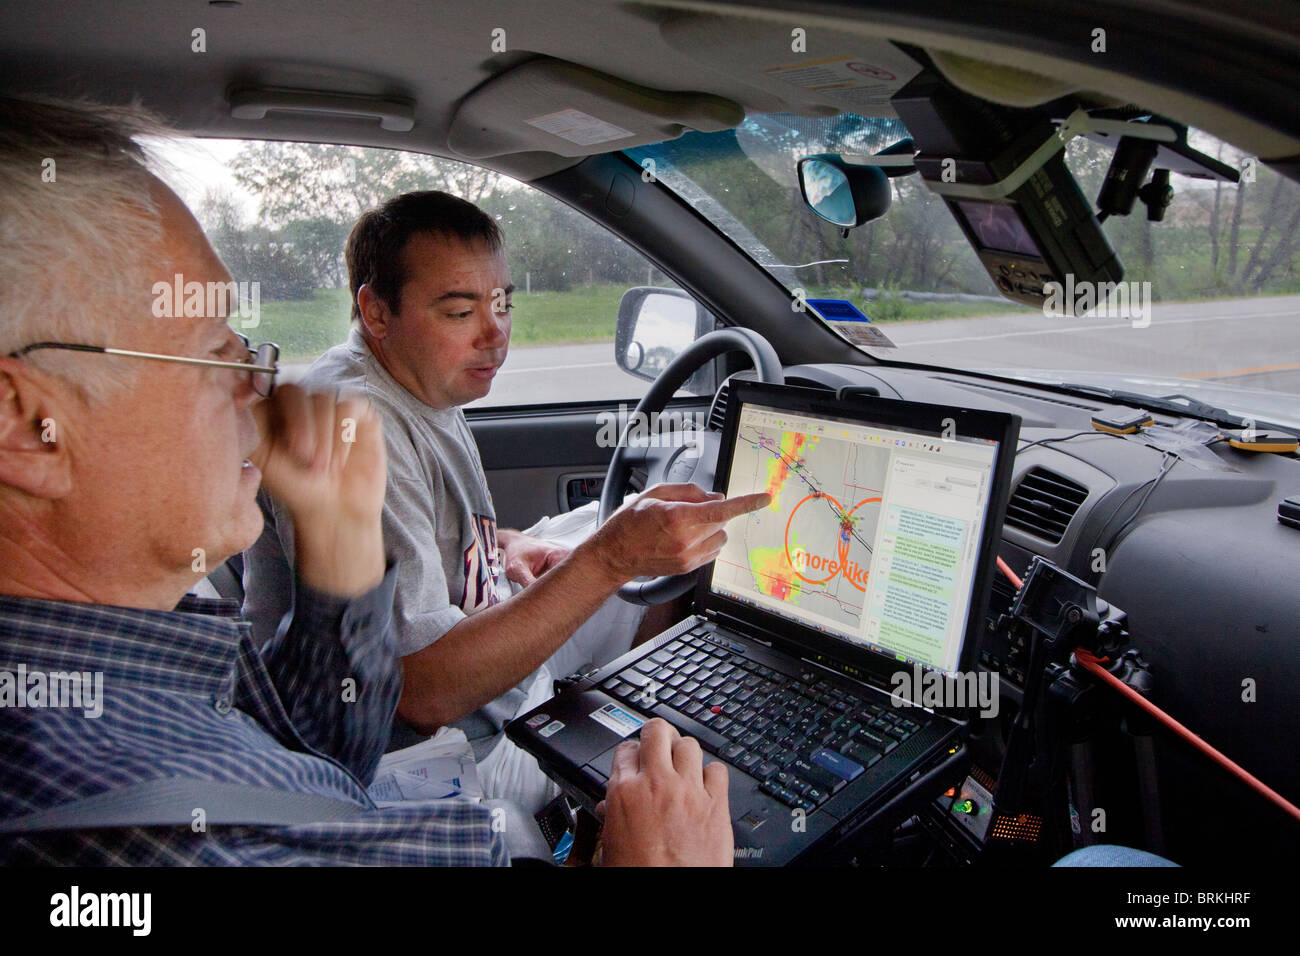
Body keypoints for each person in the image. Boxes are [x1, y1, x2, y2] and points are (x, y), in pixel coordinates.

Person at [0, 96, 736, 866]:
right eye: (210, 352)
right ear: (27, 424)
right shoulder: (129, 836)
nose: (260, 388)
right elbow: (414, 703)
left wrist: (348, 570)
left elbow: (319, 752)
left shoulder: (145, 655)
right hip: (451, 752)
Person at [244, 191, 768, 812]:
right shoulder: (355, 426)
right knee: (649, 558)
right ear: (376, 312)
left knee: (631, 533)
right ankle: (641, 760)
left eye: (503, 304)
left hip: (481, 640)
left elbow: (419, 536)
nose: (496, 336)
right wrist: (608, 560)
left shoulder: (413, 383)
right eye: (461, 312)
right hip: (433, 751)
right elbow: (422, 692)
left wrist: (505, 543)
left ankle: (640, 708)